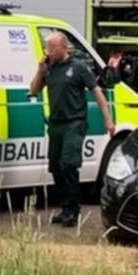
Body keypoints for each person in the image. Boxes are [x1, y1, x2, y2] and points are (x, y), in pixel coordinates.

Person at [28, 31, 115, 227]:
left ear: (62, 48)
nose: (48, 53)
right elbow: (33, 90)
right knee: (56, 168)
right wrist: (40, 70)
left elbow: (97, 92)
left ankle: (73, 211)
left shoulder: (78, 68)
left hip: (74, 123)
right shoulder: (49, 68)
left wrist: (108, 120)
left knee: (68, 164)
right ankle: (65, 208)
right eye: (46, 49)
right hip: (56, 124)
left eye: (51, 49)